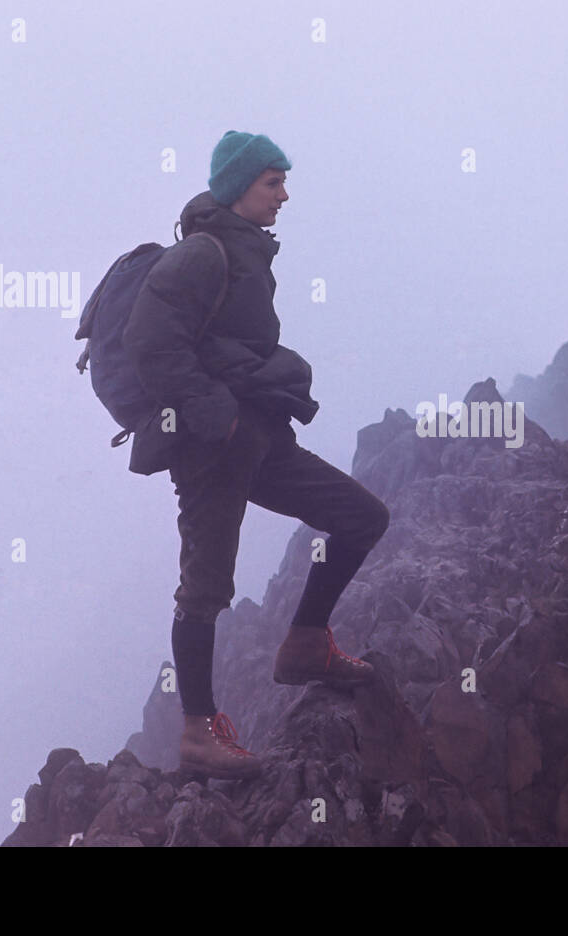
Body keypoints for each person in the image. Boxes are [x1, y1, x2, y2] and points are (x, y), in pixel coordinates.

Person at [121, 131, 390, 780]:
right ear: (240, 186)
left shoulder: (246, 254)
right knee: (206, 588)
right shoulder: (201, 255)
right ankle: (198, 732)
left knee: (361, 517)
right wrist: (217, 416)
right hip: (210, 448)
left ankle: (304, 646)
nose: (284, 193)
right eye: (273, 182)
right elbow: (148, 346)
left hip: (257, 441)